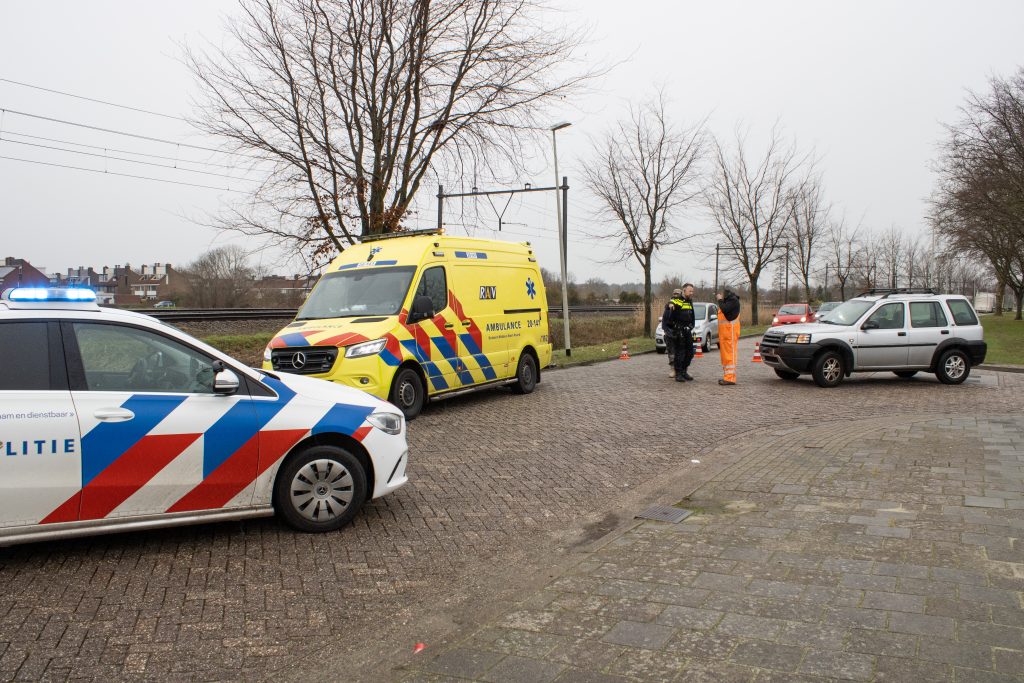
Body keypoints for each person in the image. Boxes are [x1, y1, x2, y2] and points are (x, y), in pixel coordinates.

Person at [667, 283, 696, 382]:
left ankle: (684, 371)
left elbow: (692, 316)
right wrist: (670, 304)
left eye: (692, 291)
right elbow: (670, 303)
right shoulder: (678, 300)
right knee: (680, 353)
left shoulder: (689, 301)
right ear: (684, 290)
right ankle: (678, 373)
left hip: (687, 330)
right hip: (678, 330)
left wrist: (691, 326)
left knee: (690, 352)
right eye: (690, 291)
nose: (691, 293)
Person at [716, 287, 741, 385]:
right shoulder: (730, 301)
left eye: (722, 294)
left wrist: (719, 300)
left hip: (729, 333)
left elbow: (725, 309)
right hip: (725, 334)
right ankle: (727, 376)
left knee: (729, 355)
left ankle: (730, 378)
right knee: (726, 356)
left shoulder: (733, 301)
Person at [662, 288, 683, 378]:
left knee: (682, 352)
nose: (676, 295)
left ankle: (682, 370)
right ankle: (673, 369)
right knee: (671, 352)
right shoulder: (668, 306)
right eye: (674, 294)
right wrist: (667, 330)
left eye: (678, 294)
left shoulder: (683, 304)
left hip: (681, 331)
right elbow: (665, 320)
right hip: (670, 332)